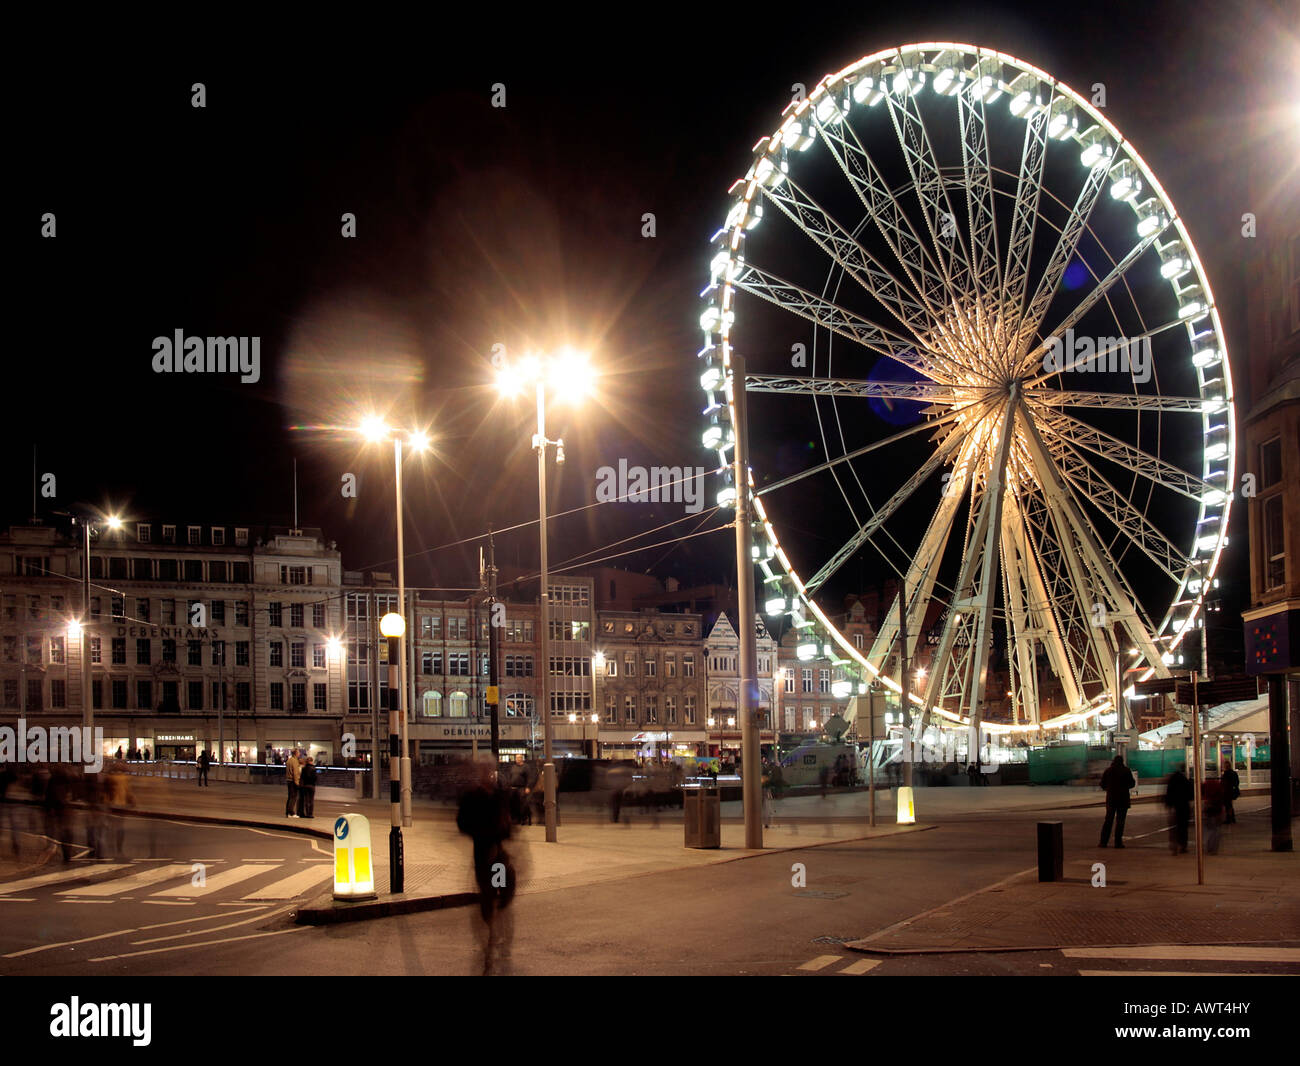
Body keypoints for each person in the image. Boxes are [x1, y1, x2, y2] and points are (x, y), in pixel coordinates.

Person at [457, 759, 517, 975]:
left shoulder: (500, 795)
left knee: (497, 891)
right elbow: (462, 823)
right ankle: (491, 931)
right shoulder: (473, 797)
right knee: (487, 892)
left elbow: (509, 822)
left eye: (489, 770)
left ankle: (496, 928)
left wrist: (505, 831)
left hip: (497, 856)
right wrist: (480, 833)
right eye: (483, 770)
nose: (487, 773)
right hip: (482, 854)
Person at [1098, 755, 1135, 848]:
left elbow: (1102, 784)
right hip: (1123, 799)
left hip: (1111, 799)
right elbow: (1132, 783)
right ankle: (1118, 842)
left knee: (1108, 821)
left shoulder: (1108, 771)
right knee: (1120, 821)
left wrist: (1109, 788)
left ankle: (1103, 842)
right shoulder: (1126, 770)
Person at [1164, 764, 1192, 854]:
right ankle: (1183, 845)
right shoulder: (1185, 781)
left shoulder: (1171, 781)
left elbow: (1168, 794)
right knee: (1183, 827)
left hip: (1174, 807)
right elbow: (1190, 794)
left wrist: (1168, 805)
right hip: (1184, 807)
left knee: (1174, 827)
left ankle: (1174, 845)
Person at [1202, 773, 1224, 854]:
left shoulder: (1205, 784)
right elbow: (1222, 796)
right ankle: (1214, 848)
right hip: (1217, 810)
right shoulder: (1218, 785)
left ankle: (1209, 847)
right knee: (1216, 830)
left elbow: (1202, 793)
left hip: (1209, 810)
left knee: (1209, 829)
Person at [285, 749, 301, 818]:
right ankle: (291, 812)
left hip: (289, 780)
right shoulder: (294, 761)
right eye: (298, 752)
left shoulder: (289, 760)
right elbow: (295, 773)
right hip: (293, 781)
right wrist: (297, 782)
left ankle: (288, 813)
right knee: (293, 797)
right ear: (296, 753)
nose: (299, 753)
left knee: (290, 797)